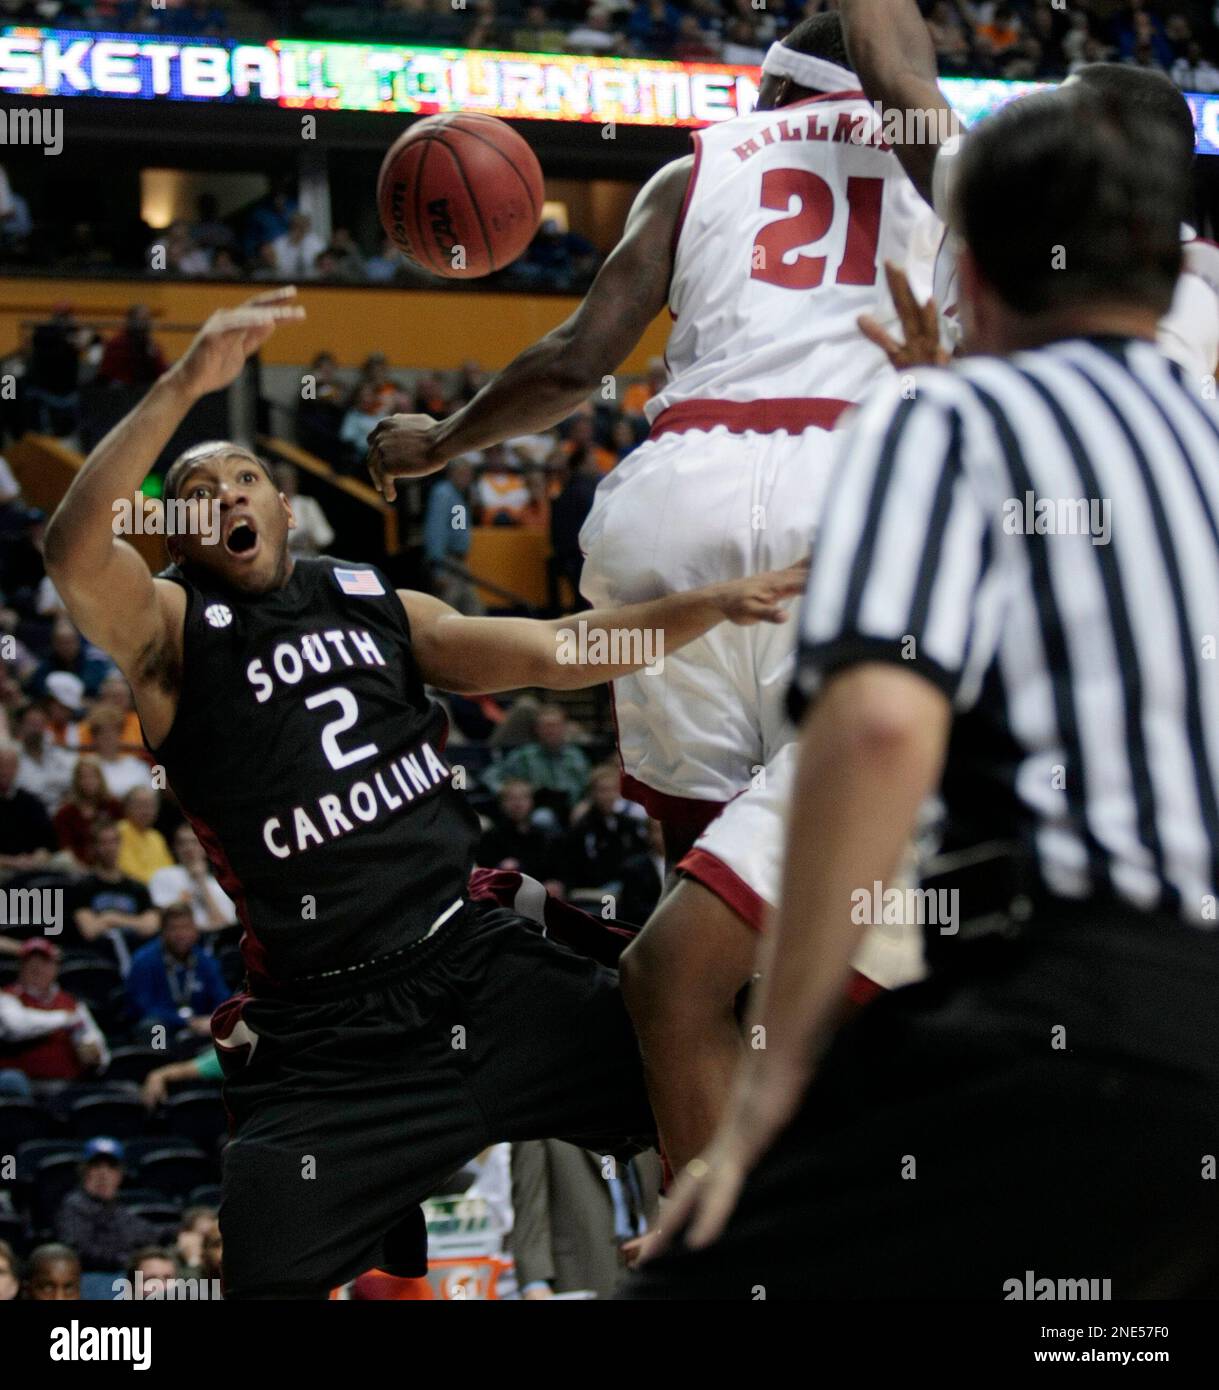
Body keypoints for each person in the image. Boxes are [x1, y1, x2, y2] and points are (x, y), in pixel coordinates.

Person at [41, 286, 806, 1299]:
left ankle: (706, 1252)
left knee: (700, 1052)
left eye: (248, 476)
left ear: (282, 508)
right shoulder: (170, 637)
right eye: (202, 488)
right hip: (332, 1037)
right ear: (179, 531)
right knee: (261, 1272)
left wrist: (709, 603)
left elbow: (562, 649)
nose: (229, 493)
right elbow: (71, 549)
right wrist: (186, 384)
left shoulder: (376, 602)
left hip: (476, 968)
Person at [627, 81, 1219, 1299]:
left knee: (704, 1279)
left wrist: (768, 1092)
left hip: (1075, 1002)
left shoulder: (949, 416)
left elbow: (882, 722)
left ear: (973, 274)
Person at [366, 14, 935, 1173]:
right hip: (869, 499)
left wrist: (441, 442)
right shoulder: (949, 158)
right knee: (847, 911)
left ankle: (698, 1241)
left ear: (770, 91)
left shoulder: (700, 167)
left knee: (701, 919)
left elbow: (581, 361)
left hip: (676, 517)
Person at [510, 1142, 662, 1299]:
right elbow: (530, 1213)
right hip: (581, 1273)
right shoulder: (538, 1124)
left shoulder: (645, 1121)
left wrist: (663, 1237)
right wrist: (535, 1284)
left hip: (649, 1270)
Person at [0, 939, 108, 1082]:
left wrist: (95, 1056)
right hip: (27, 1086)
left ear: (55, 967)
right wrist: (65, 1019)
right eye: (30, 962)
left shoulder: (71, 1002)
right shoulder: (7, 996)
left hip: (68, 1085)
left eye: (44, 962)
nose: (37, 968)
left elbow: (97, 1046)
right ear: (21, 967)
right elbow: (16, 1026)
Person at [54, 1139, 164, 1272]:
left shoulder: (117, 1209)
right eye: (96, 1166)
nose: (103, 1174)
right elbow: (80, 1252)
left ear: (120, 1175)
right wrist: (130, 1260)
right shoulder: (73, 1205)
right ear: (84, 1171)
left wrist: (182, 1231)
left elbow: (149, 1232)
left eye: (111, 1167)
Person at [125, 905, 230, 1039]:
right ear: (163, 932)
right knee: (153, 1027)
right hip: (164, 1026)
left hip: (199, 1026)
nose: (181, 934)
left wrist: (213, 1020)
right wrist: (185, 1022)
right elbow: (144, 1006)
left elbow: (222, 998)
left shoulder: (205, 960)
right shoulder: (144, 960)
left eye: (186, 927)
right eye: (175, 928)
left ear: (195, 930)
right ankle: (159, 1059)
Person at [71, 818, 160, 968]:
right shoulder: (84, 887)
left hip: (137, 957)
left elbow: (151, 926)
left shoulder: (137, 887)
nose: (109, 848)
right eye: (103, 843)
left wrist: (111, 919)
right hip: (100, 962)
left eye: (113, 842)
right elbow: (89, 930)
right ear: (94, 847)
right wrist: (133, 922)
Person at [483, 704, 591, 820]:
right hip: (536, 811)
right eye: (545, 726)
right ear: (536, 729)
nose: (550, 731)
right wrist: (506, 791)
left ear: (564, 727)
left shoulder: (576, 756)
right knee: (543, 818)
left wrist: (586, 803)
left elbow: (590, 787)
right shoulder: (524, 755)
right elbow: (489, 775)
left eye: (554, 726)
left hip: (573, 809)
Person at [148, 821, 236, 932]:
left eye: (194, 842)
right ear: (175, 848)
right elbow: (167, 921)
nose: (189, 848)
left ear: (205, 847)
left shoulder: (220, 885)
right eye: (182, 843)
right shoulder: (163, 875)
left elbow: (224, 926)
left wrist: (201, 882)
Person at [53, 753, 121, 868]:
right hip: (76, 870)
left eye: (93, 776)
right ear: (76, 781)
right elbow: (66, 849)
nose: (88, 781)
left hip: (110, 866)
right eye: (83, 777)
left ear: (101, 779)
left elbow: (121, 839)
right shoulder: (65, 813)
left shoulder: (113, 806)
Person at [0, 737, 56, 874]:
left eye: (10, 765)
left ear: (17, 768)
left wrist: (38, 856)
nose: (5, 771)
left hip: (33, 863)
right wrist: (12, 862)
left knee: (65, 862)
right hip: (4, 867)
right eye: (1, 765)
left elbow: (49, 841)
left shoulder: (31, 801)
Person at [115, 786, 173, 885]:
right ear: (127, 807)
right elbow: (126, 870)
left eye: (150, 806)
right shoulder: (119, 831)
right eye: (140, 805)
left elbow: (168, 870)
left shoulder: (157, 837)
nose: (146, 811)